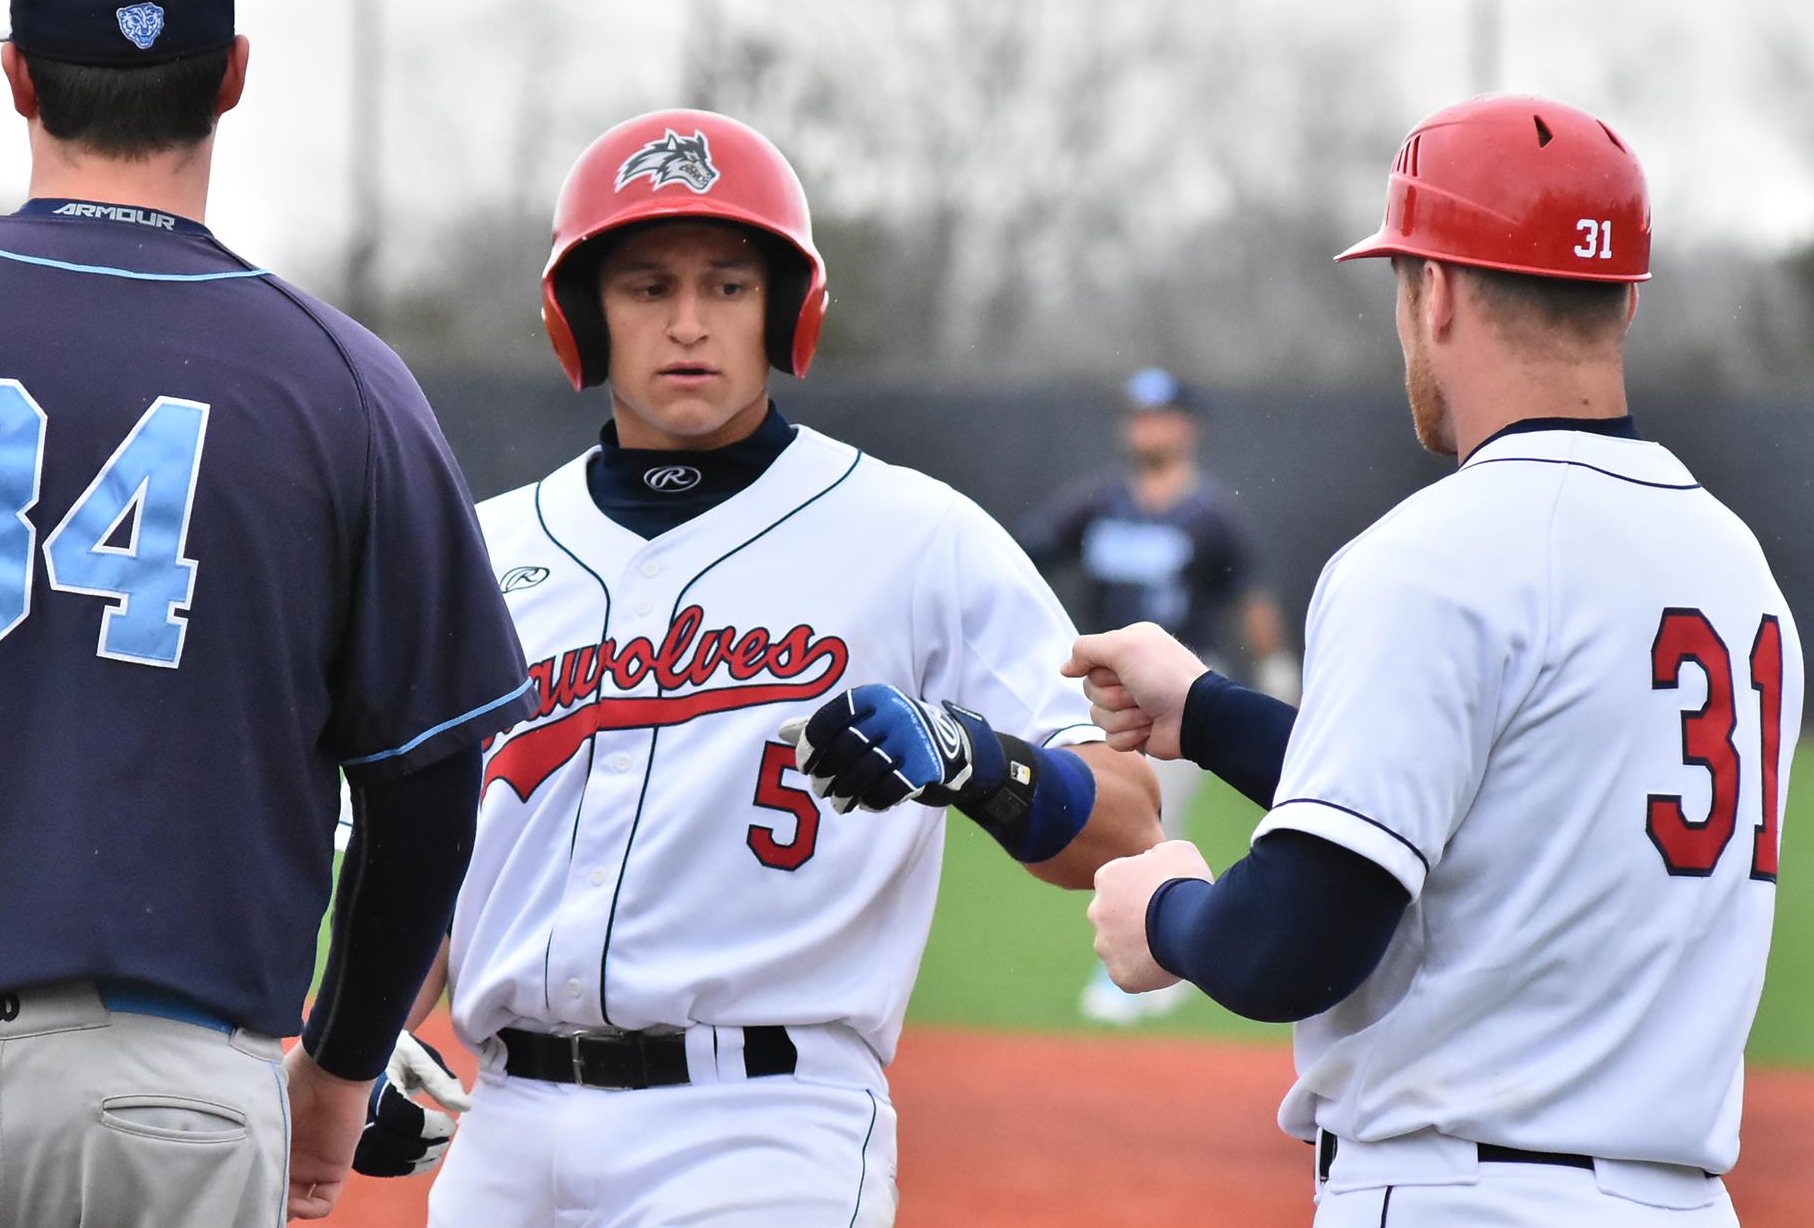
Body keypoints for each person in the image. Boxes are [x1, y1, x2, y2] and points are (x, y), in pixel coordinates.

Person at [0, 0, 531, 1227]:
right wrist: (339, 1062)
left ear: (18, 75)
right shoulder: (346, 386)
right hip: (176, 1091)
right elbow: (428, 794)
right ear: (235, 76)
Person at [358, 109, 1160, 1225]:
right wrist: (365, 1034)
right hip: (507, 1137)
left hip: (760, 1130)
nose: (688, 323)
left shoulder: (913, 534)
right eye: (645, 285)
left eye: (728, 286)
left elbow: (1128, 823)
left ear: (787, 309)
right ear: (579, 314)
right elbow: (447, 842)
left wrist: (975, 762)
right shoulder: (491, 547)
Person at [1074, 93, 1801, 1226]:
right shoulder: (1731, 563)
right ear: (1623, 301)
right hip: (1676, 1199)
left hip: (1464, 1192)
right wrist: (1208, 712)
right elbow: (1487, 805)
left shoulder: (1432, 553)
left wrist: (1165, 912)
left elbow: (1290, 944)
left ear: (1438, 288)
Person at [1017, 367, 1297, 1021]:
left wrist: (1275, 661)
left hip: (1177, 702)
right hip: (1105, 695)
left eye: (1159, 416)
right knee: (1140, 825)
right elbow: (1028, 554)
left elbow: (1248, 591)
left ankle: (1147, 963)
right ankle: (1170, 958)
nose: (1145, 428)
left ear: (1185, 427)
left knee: (1141, 823)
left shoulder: (1209, 514)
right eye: (1137, 416)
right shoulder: (1097, 501)